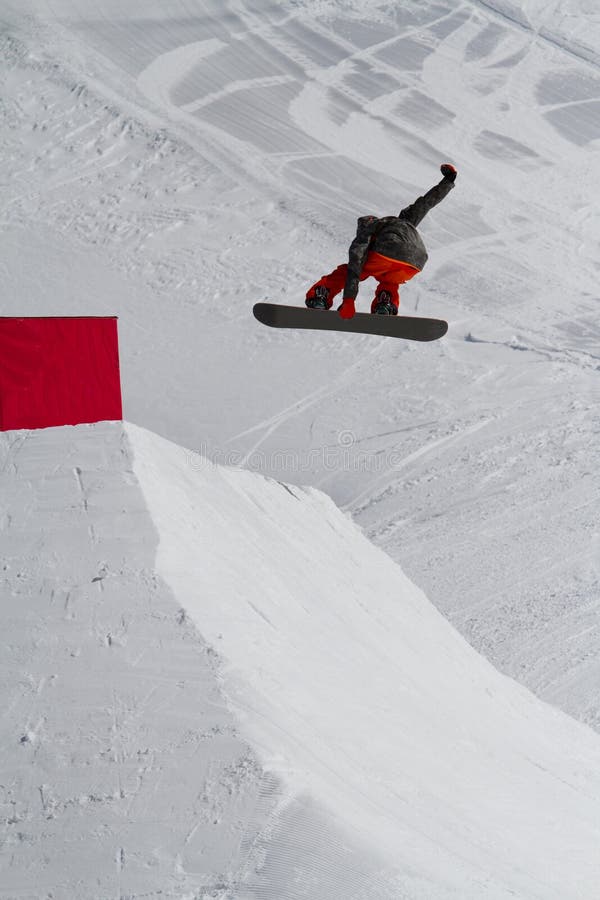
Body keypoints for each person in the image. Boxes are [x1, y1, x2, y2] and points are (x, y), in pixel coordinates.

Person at [305, 164, 457, 319]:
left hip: (386, 252)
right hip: (415, 261)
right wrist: (448, 181)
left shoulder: (369, 230)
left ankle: (321, 296)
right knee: (389, 280)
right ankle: (385, 304)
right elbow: (426, 203)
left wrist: (349, 300)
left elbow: (354, 265)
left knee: (348, 271)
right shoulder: (403, 221)